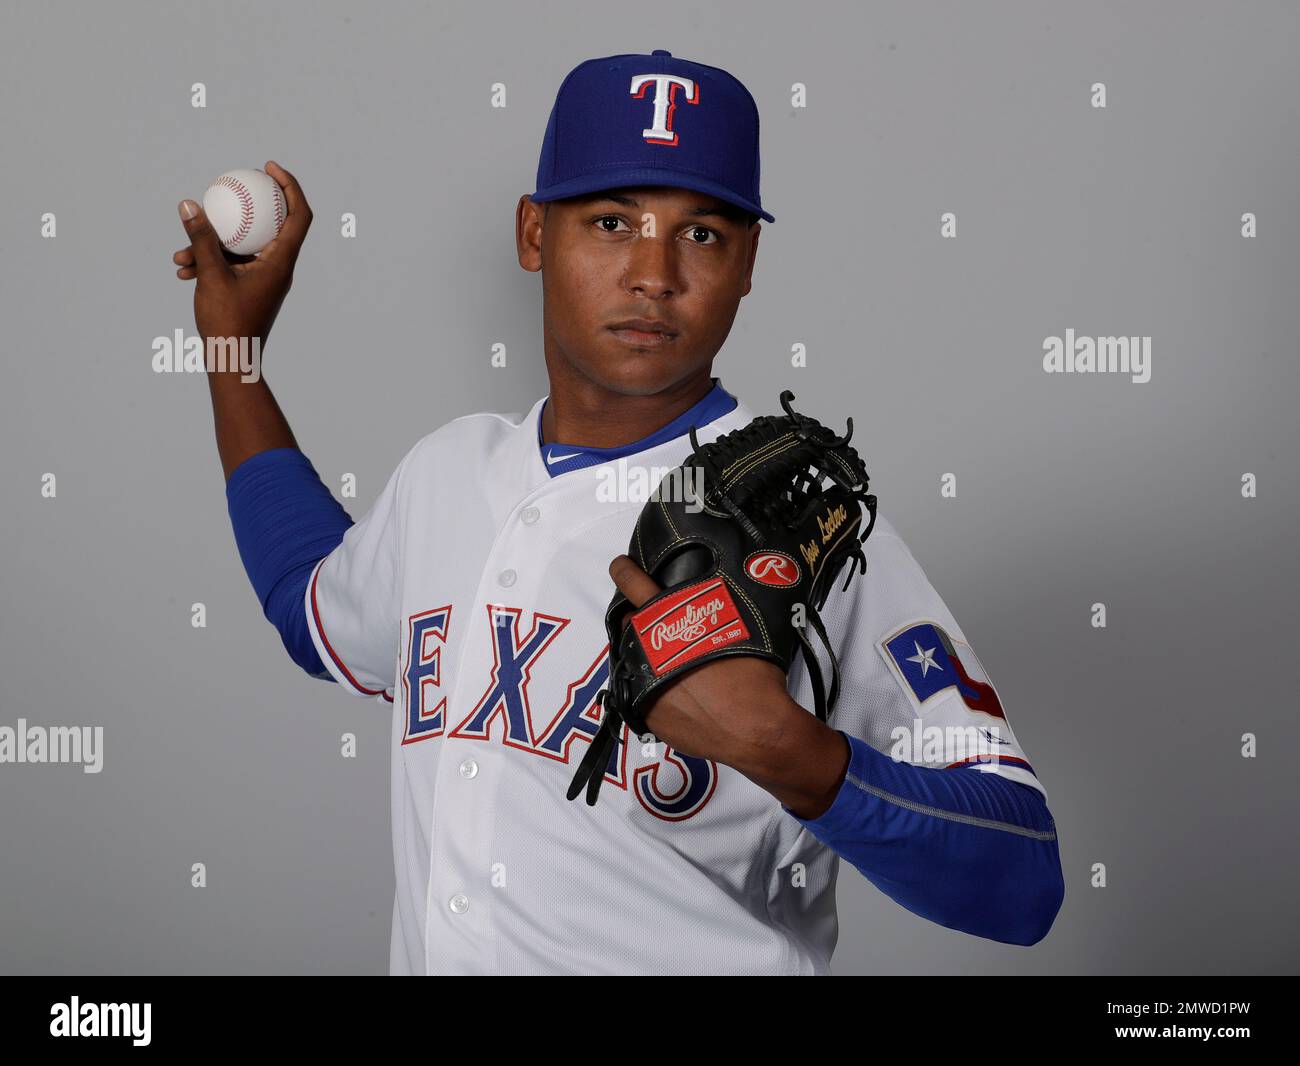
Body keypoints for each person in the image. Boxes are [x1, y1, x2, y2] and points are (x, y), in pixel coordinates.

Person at [172, 50, 1064, 975]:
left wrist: (791, 751)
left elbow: (1024, 878)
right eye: (610, 222)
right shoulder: (447, 474)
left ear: (749, 262)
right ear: (532, 233)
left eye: (704, 234)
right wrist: (234, 352)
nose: (654, 274)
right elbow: (308, 605)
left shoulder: (802, 534)